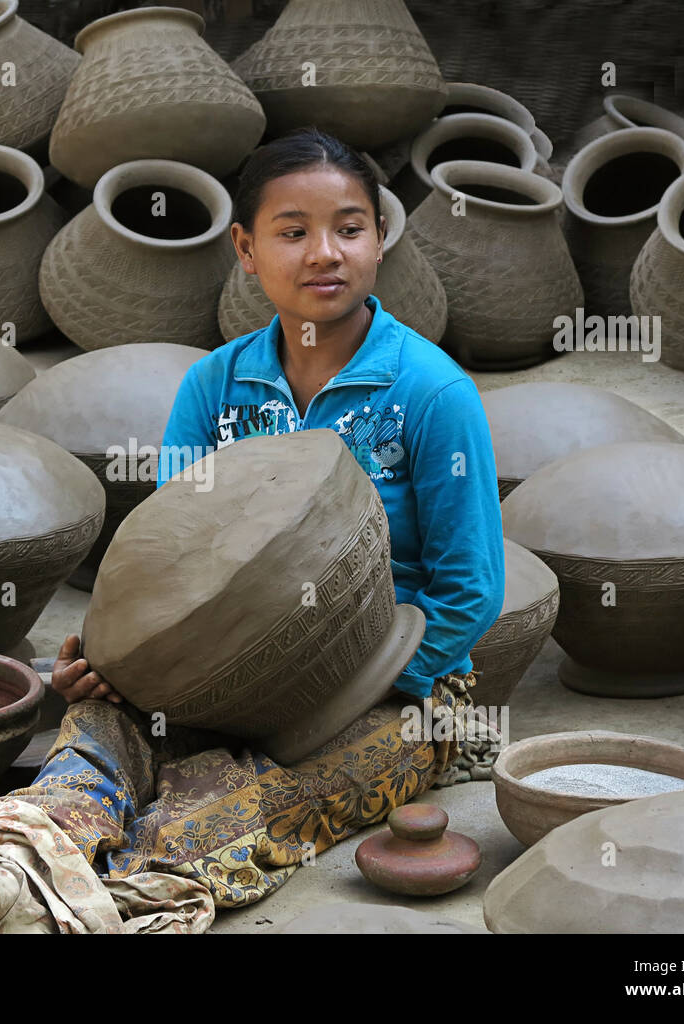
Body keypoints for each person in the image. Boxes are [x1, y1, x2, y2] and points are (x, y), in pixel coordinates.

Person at [25, 127, 507, 910]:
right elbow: (167, 567)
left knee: (229, 816)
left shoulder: (432, 393)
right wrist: (118, 663)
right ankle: (15, 872)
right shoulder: (213, 389)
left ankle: (118, 897)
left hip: (387, 690)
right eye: (293, 232)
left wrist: (336, 691)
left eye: (350, 228)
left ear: (380, 240)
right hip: (207, 676)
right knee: (87, 747)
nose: (325, 253)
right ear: (246, 250)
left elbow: (469, 588)